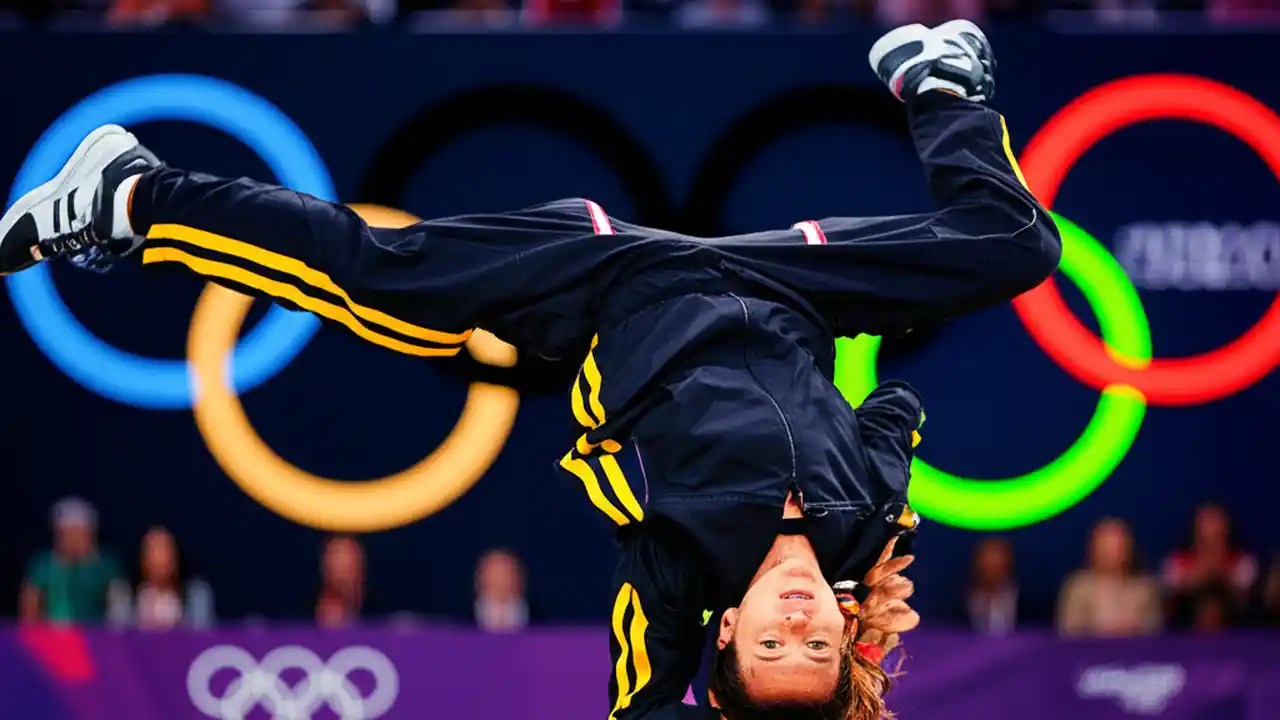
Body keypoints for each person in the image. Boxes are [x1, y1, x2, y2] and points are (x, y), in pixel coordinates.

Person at [0, 19, 1059, 718]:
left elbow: (636, 704)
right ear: (842, 635)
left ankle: (132, 195)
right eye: (817, 650)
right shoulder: (865, 522)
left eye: (767, 652)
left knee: (385, 291)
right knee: (1017, 249)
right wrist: (871, 451)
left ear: (724, 633)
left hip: (605, 283)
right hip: (785, 280)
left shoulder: (677, 572)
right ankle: (942, 78)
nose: (794, 629)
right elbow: (898, 411)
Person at [20, 498, 129, 625]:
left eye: (79, 532)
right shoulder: (42, 565)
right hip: (49, 637)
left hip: (94, 638)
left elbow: (120, 612)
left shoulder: (107, 566)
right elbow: (29, 607)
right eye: (68, 533)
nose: (73, 539)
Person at [1057, 517, 1162, 638]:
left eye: (1118, 545)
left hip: (1135, 655)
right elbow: (1068, 634)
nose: (1112, 552)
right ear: (1093, 548)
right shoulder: (1078, 588)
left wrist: (1128, 632)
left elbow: (1154, 636)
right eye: (1106, 546)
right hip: (1088, 655)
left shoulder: (1145, 590)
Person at [1162, 502, 1257, 628]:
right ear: (1195, 528)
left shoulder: (1243, 561)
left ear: (1227, 528)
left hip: (1235, 631)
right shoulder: (1176, 562)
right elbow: (1170, 602)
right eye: (1206, 523)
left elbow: (1244, 600)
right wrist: (1199, 574)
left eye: (1216, 522)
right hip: (1185, 632)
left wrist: (1219, 571)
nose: (1212, 530)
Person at [117, 526, 216, 629]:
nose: (161, 559)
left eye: (166, 550)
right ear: (143, 558)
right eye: (154, 551)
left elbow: (204, 634)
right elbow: (115, 635)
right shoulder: (125, 594)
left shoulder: (196, 593)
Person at [964, 537, 1018, 635]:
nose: (993, 573)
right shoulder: (959, 606)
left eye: (998, 568)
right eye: (988, 568)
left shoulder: (1027, 607)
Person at [474, 548, 531, 632]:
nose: (501, 579)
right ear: (481, 579)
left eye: (507, 573)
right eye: (495, 573)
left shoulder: (542, 623)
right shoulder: (462, 624)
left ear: (519, 579)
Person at [315, 535, 367, 628]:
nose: (341, 564)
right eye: (335, 555)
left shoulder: (380, 610)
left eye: (347, 555)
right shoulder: (302, 611)